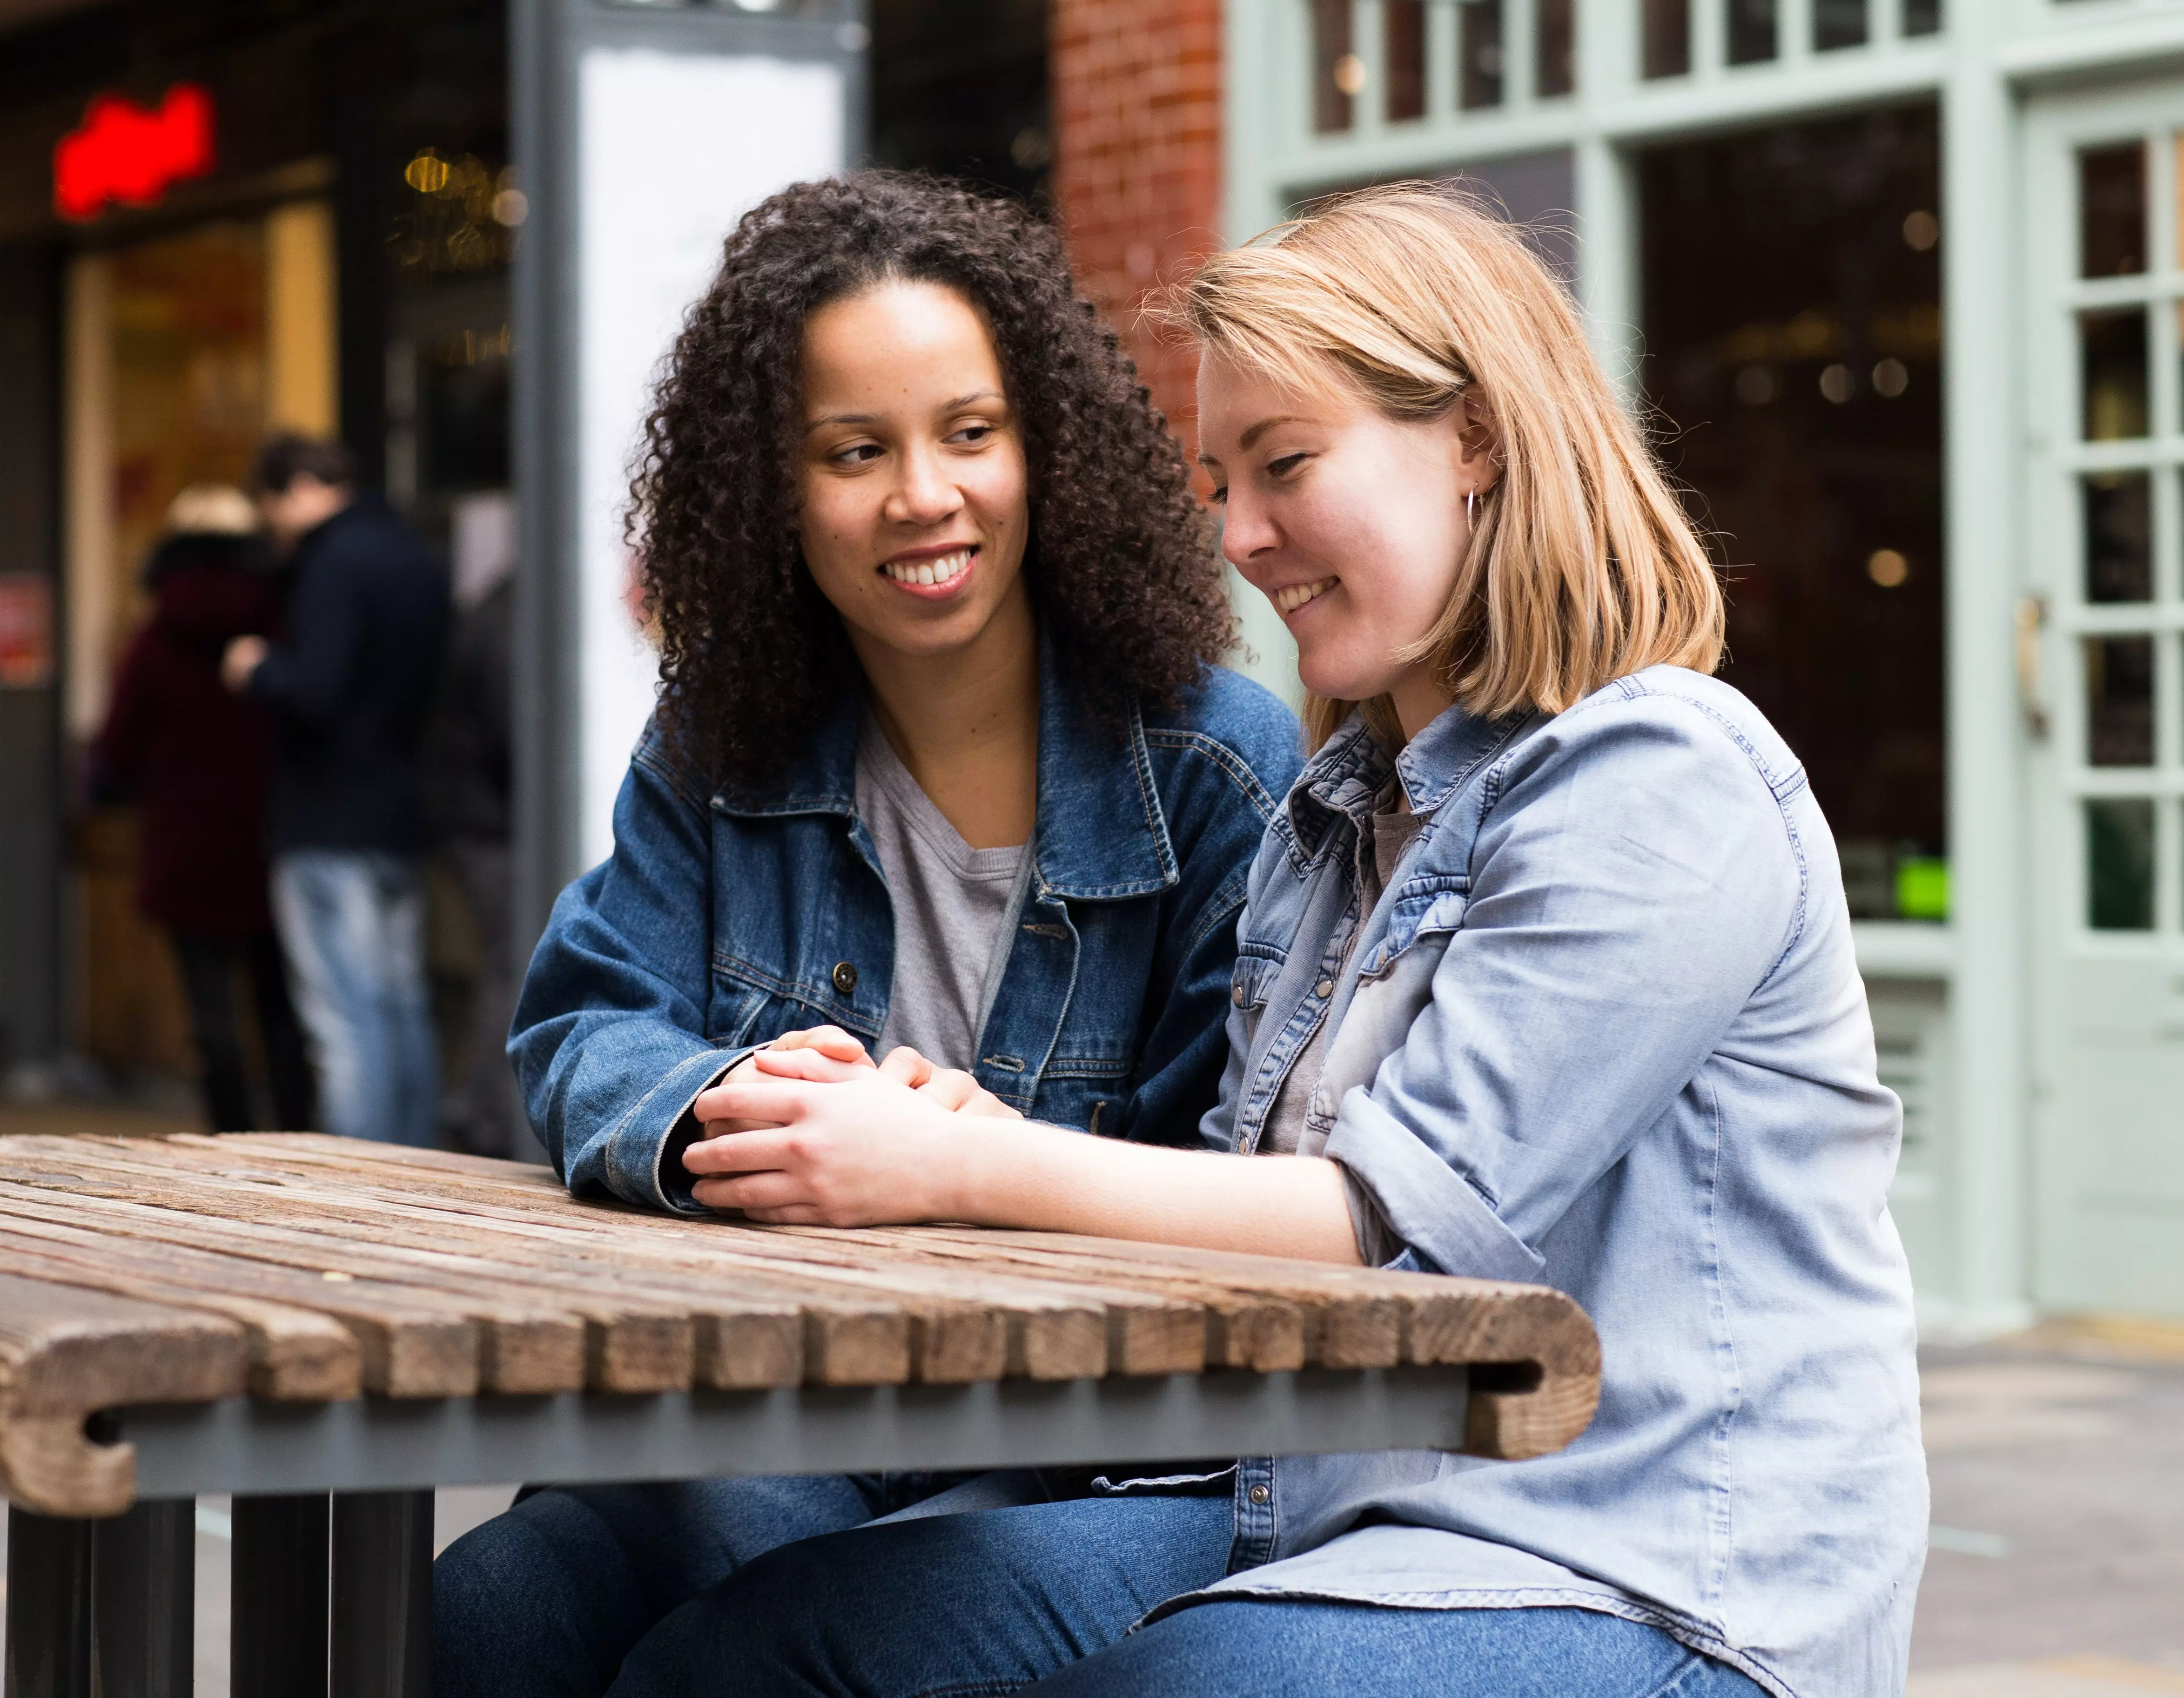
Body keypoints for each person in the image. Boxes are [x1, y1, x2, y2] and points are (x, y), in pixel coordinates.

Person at [609, 182, 1927, 1697]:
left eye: (1285, 464)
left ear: (1475, 438)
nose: (1238, 535)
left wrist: (965, 1167)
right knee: (758, 1650)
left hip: (1642, 1574)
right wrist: (968, 1128)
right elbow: (1246, 1232)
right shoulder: (1331, 820)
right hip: (1317, 1516)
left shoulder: (1662, 776)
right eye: (1220, 479)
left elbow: (1397, 1222)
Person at [432, 173, 1304, 1698]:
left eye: (969, 432)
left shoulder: (1215, 765)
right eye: (855, 450)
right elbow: (579, 1022)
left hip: (1079, 1455)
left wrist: (967, 1172)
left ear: (1046, 444)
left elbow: (1235, 1204)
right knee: (488, 1601)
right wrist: (723, 1105)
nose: (925, 494)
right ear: (775, 490)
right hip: (801, 1413)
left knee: (742, 1642)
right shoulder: (725, 743)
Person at [222, 435, 451, 1146]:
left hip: (328, 818)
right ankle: (416, 1160)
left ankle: (360, 1169)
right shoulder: (417, 557)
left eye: (270, 509)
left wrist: (256, 668)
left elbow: (317, 689)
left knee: (344, 1015)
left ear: (295, 489)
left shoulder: (330, 563)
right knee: (402, 1002)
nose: (275, 529)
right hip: (403, 811)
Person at [91, 485, 316, 1133]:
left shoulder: (154, 637)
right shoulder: (283, 621)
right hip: (273, 837)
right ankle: (297, 1135)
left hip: (186, 841)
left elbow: (117, 746)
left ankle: (231, 1134)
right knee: (281, 1007)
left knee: (209, 1012)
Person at [427, 518, 530, 1160]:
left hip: (483, 817)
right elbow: (515, 731)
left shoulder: (500, 608)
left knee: (509, 966)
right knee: (515, 967)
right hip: (496, 824)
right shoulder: (515, 616)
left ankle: (486, 1116)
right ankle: (490, 1124)